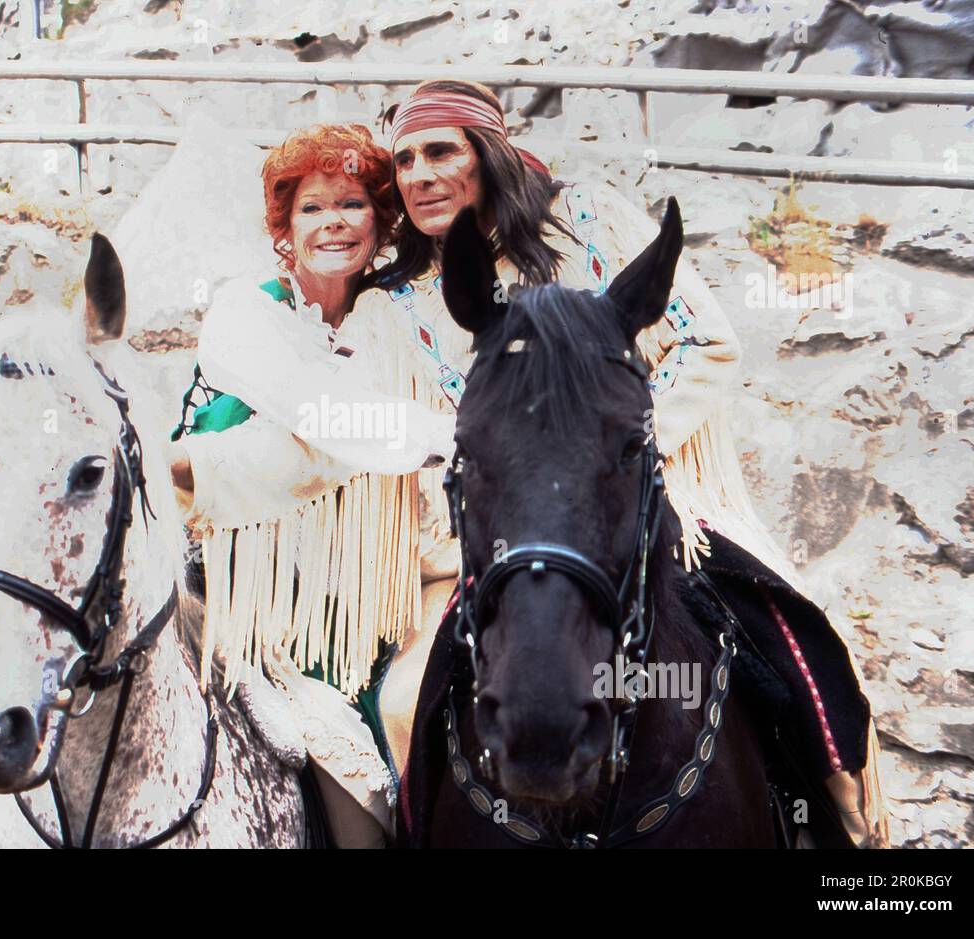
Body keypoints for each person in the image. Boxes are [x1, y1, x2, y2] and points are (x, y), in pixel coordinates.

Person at [367, 78, 886, 848]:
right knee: (403, 700)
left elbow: (707, 340)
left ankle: (844, 818)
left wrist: (618, 455)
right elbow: (402, 435)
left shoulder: (590, 218)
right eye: (404, 161)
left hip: (646, 500)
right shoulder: (398, 304)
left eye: (440, 151)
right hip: (492, 539)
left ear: (491, 153)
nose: (418, 175)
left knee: (792, 634)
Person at [168, 123, 456, 846]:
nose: (334, 222)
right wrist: (457, 434)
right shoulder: (246, 310)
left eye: (353, 204)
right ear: (284, 227)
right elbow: (320, 416)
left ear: (381, 221)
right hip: (233, 585)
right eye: (312, 207)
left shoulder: (394, 319)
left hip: (359, 594)